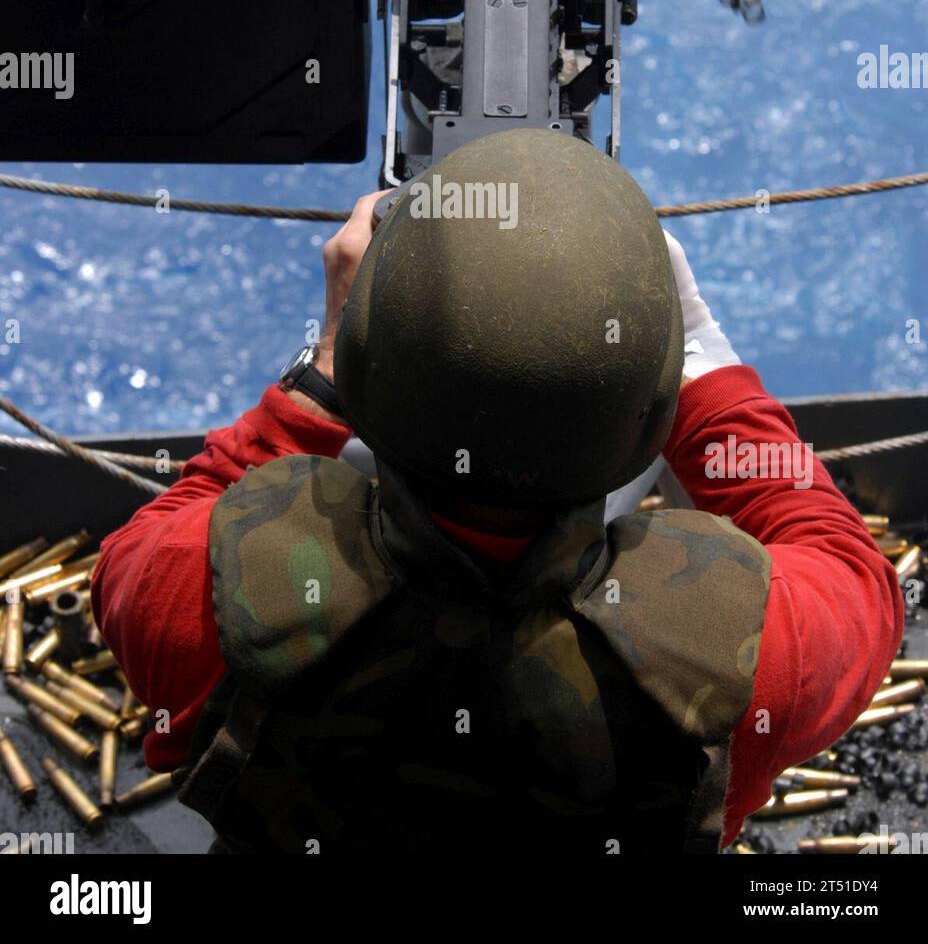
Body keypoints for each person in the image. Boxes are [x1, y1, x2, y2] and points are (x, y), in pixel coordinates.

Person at [91, 130, 903, 855]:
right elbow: (850, 568)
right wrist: (699, 362)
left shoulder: (198, 593)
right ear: (646, 421)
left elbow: (146, 547)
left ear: (372, 373)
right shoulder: (752, 657)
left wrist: (326, 369)